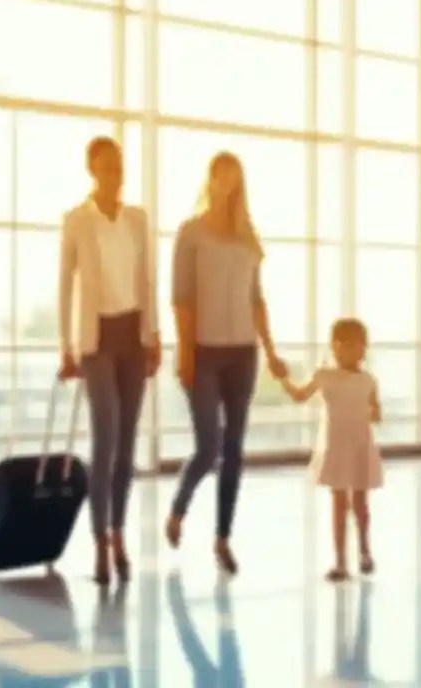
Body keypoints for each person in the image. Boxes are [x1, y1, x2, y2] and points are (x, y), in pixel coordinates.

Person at [166, 151, 288, 575]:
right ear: (210, 179)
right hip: (203, 353)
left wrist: (271, 352)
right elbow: (181, 298)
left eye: (234, 179)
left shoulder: (247, 238)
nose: (227, 185)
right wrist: (184, 353)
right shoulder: (190, 233)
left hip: (243, 353)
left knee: (234, 449)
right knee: (208, 446)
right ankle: (179, 507)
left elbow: (257, 300)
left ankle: (222, 538)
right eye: (221, 177)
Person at [58, 136, 159, 585]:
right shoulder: (77, 221)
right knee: (105, 440)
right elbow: (65, 285)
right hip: (96, 340)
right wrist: (67, 345)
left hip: (133, 335)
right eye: (105, 168)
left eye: (118, 167)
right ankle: (99, 540)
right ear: (91, 170)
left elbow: (148, 281)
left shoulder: (137, 219)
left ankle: (119, 533)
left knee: (127, 444)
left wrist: (154, 335)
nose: (113, 176)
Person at [282, 318, 382, 582]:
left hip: (360, 444)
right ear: (336, 347)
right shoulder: (324, 375)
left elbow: (376, 411)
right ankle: (340, 561)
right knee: (339, 503)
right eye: (351, 346)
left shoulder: (368, 380)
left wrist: (371, 412)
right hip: (337, 447)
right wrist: (284, 378)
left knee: (360, 503)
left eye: (362, 346)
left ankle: (364, 551)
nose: (358, 352)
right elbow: (300, 395)